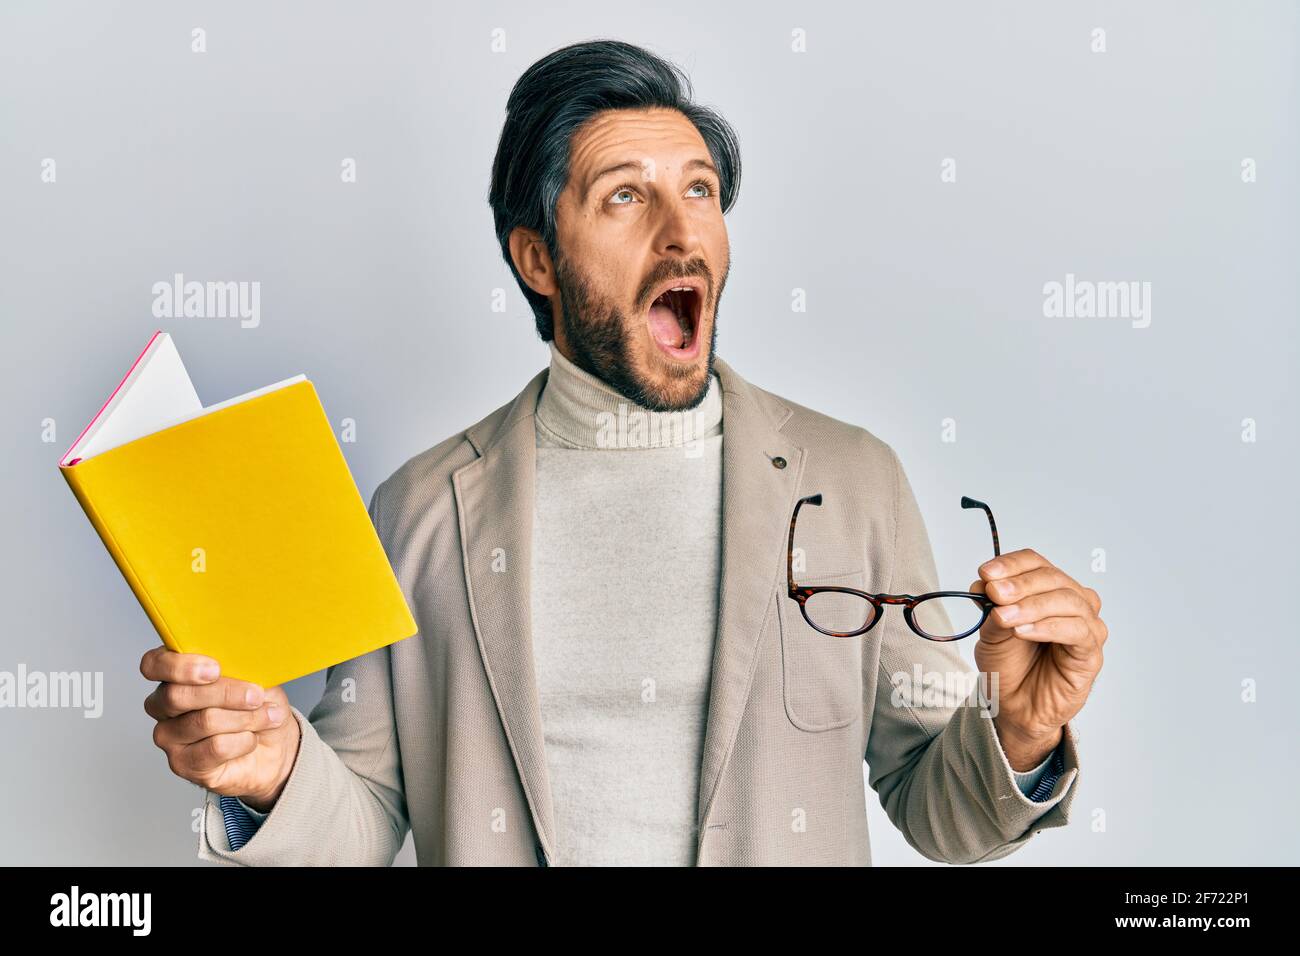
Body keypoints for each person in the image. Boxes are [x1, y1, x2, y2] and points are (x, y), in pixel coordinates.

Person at [141, 39, 1106, 866]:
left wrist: (1020, 731)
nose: (683, 233)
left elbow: (929, 798)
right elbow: (366, 814)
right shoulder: (421, 509)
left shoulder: (852, 480)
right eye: (623, 199)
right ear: (536, 259)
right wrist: (269, 774)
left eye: (701, 191)